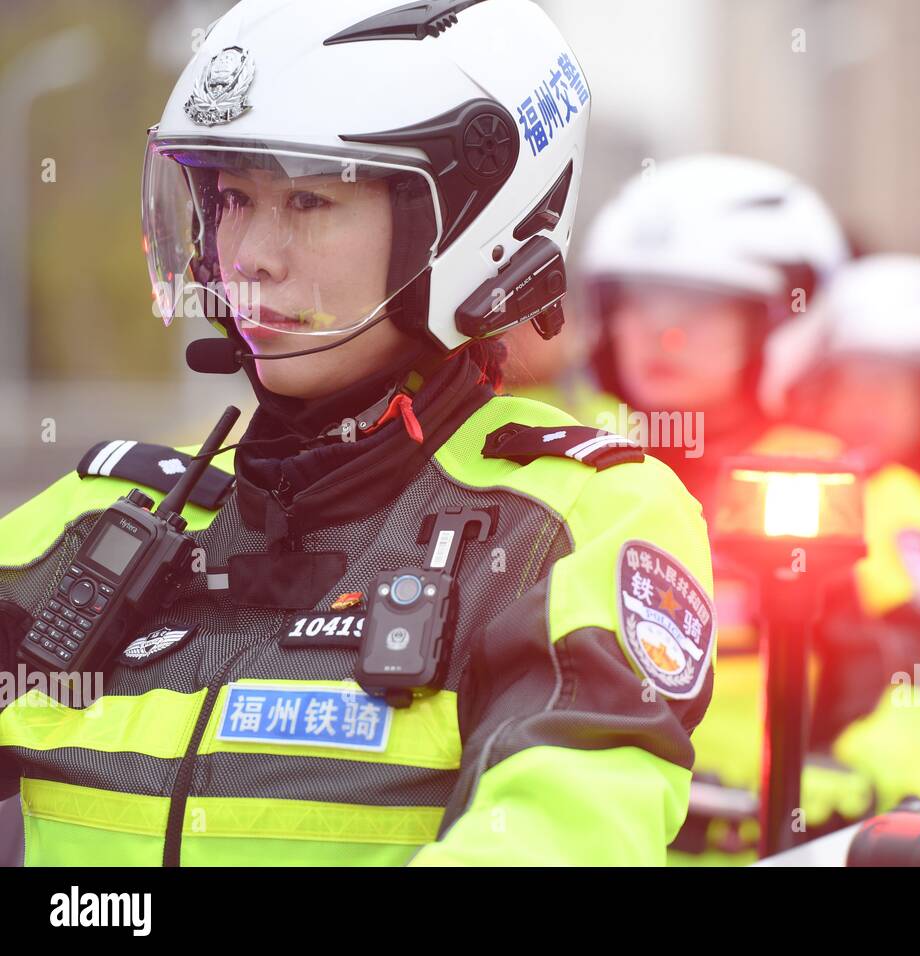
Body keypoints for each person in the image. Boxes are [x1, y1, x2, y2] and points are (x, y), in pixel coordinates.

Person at [0, 0, 715, 867]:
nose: (252, 255)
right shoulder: (103, 512)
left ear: (464, 221)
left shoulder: (566, 524)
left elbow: (557, 828)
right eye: (232, 198)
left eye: (308, 199)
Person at [581, 156, 920, 863]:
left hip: (773, 852)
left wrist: (851, 782)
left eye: (698, 306)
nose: (660, 334)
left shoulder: (865, 494)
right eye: (640, 300)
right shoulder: (560, 474)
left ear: (781, 320)